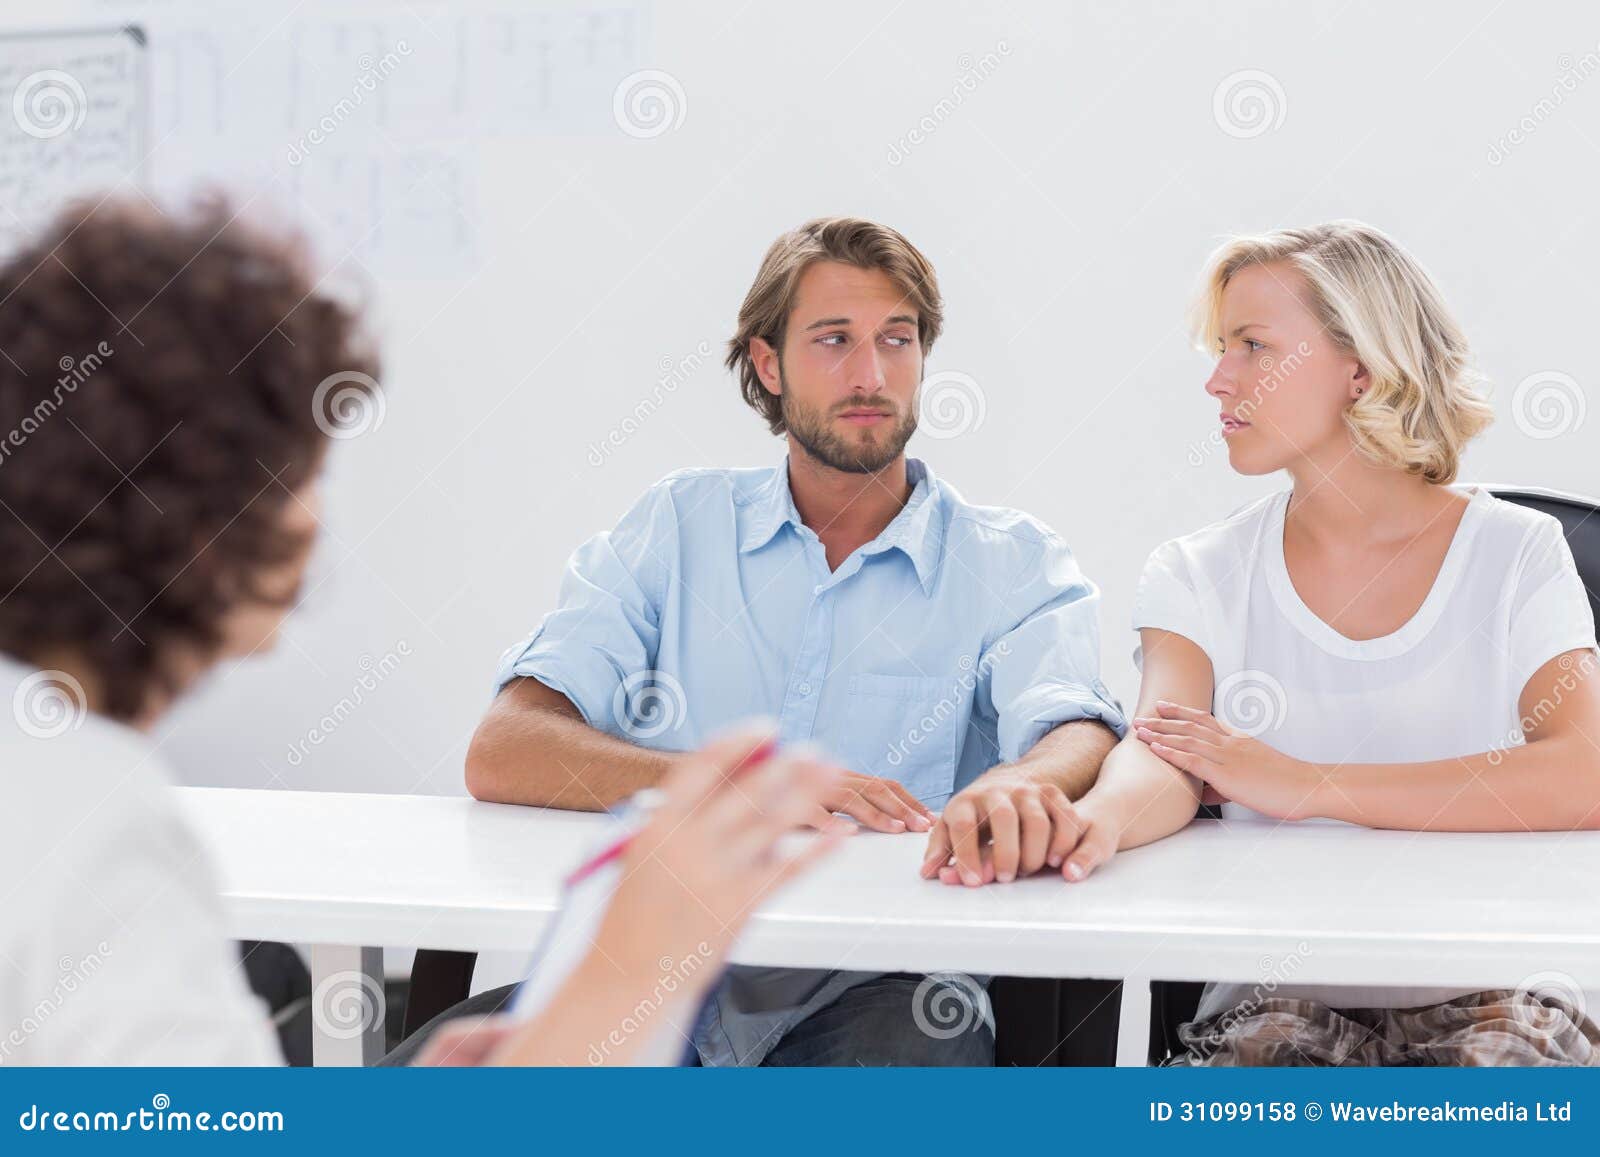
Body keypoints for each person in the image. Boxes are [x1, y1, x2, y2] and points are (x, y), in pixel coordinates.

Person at [0, 197, 843, 1066]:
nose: (318, 519)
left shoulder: (47, 773)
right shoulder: (98, 832)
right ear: (203, 510)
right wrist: (615, 988)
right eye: (302, 469)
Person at [458, 216, 1126, 1067]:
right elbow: (507, 747)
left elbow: (1080, 728)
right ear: (768, 362)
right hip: (653, 971)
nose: (872, 373)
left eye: (898, 339)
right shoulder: (677, 526)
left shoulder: (1012, 560)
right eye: (834, 340)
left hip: (885, 989)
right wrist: (730, 793)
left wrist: (1016, 785)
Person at [1030, 220, 1600, 1065]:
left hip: (1500, 995)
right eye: (1221, 348)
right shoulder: (1195, 570)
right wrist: (1092, 823)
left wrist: (1305, 784)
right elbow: (1165, 757)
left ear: (1361, 367)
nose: (1219, 379)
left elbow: (1583, 771)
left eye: (1253, 346)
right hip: (1276, 1001)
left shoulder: (1518, 552)